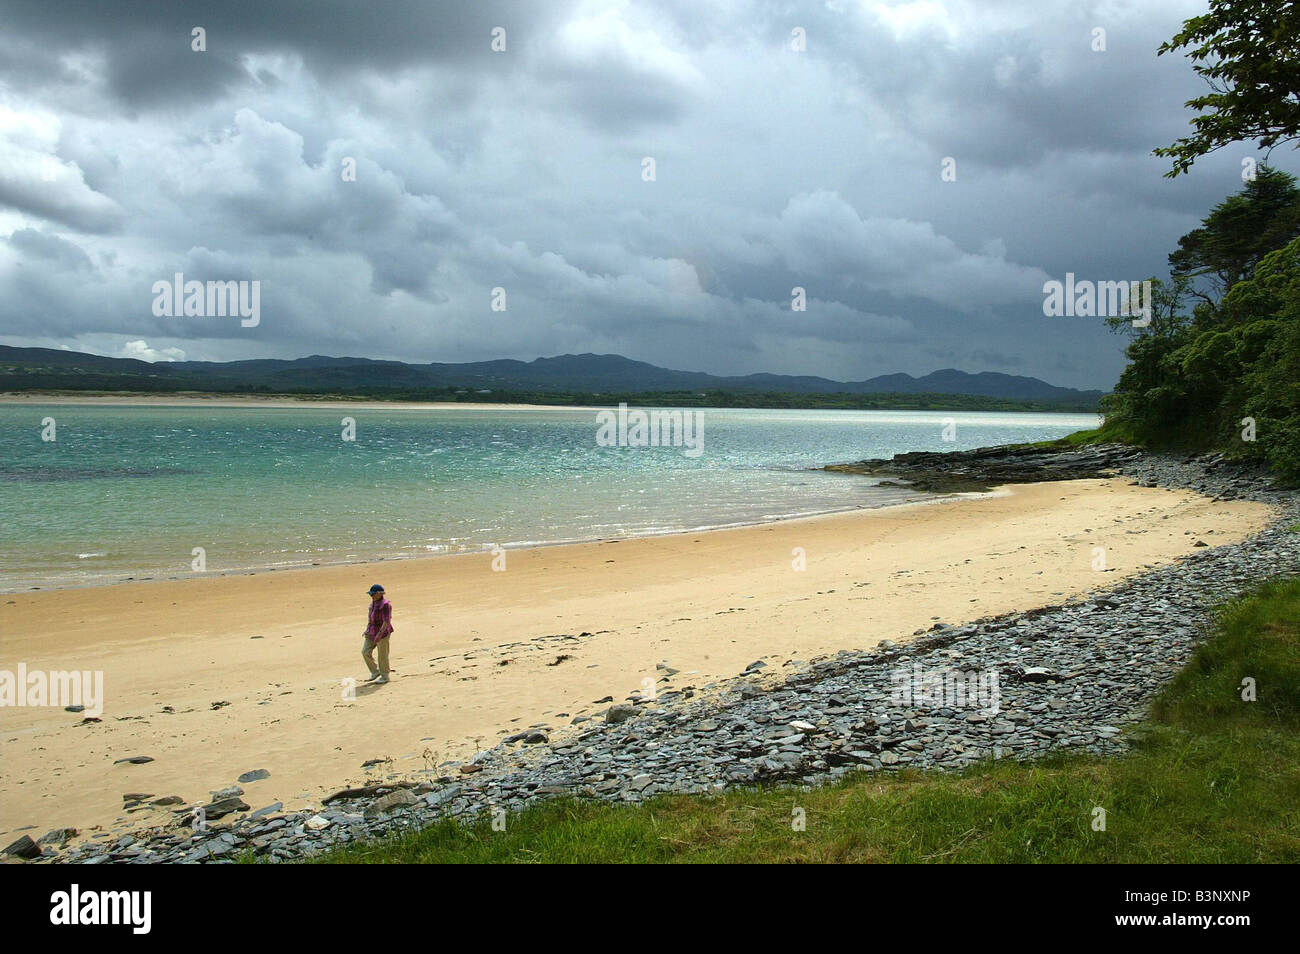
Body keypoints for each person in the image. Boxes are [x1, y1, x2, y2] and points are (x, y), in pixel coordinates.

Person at [362, 584, 394, 685]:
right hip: (371, 632)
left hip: (383, 633)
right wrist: (367, 630)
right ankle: (375, 672)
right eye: (371, 594)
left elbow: (386, 621)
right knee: (365, 652)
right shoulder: (372, 604)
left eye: (373, 594)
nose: (371, 596)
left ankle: (385, 676)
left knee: (382, 655)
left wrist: (379, 635)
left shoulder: (385, 605)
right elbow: (370, 619)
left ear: (380, 594)